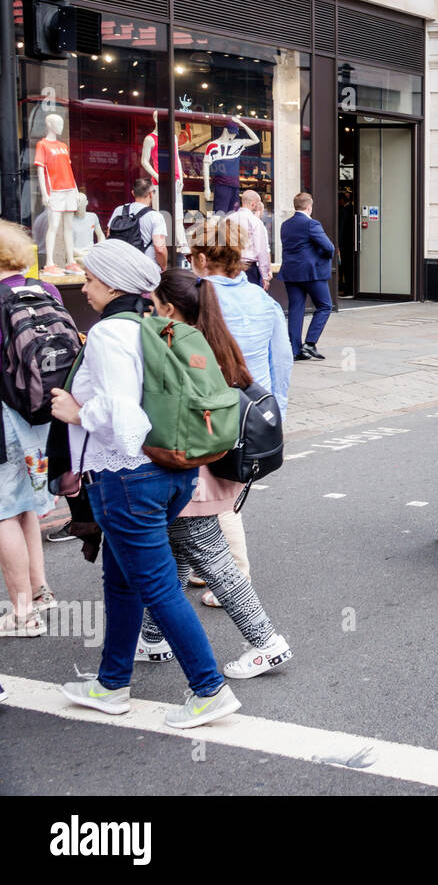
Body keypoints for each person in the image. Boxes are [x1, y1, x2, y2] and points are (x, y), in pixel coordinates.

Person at [54, 239, 241, 728]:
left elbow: (123, 416)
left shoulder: (108, 334)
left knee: (157, 588)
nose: (85, 287)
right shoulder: (151, 327)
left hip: (129, 477)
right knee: (121, 582)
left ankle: (210, 689)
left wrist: (77, 411)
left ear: (113, 283)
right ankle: (112, 684)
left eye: (91, 279)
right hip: (167, 473)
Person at [136, 268, 292, 678]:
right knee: (175, 555)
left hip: (195, 475)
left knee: (213, 562)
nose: (149, 314)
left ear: (169, 309)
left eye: (153, 306)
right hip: (215, 467)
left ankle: (267, 642)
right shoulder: (215, 339)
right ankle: (152, 639)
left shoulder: (178, 347)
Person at [190, 216, 292, 594]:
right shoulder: (263, 299)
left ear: (202, 258)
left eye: (191, 253)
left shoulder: (196, 295)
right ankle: (209, 566)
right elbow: (282, 359)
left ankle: (233, 577)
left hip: (207, 406)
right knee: (221, 489)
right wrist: (276, 409)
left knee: (214, 495)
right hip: (250, 411)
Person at [0, 222, 61, 636]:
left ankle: (22, 613)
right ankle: (39, 591)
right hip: (41, 414)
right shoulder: (48, 292)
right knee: (25, 502)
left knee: (2, 510)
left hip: (4, 417)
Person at [279, 191, 335, 361]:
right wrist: (320, 256)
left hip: (291, 272)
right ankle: (310, 344)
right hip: (312, 273)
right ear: (309, 207)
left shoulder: (285, 225)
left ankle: (295, 350)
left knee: (296, 309)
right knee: (325, 306)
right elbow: (329, 247)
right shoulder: (312, 224)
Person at [107, 178, 167, 269]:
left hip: (121, 267)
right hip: (146, 268)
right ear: (151, 194)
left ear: (133, 193)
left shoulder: (119, 210)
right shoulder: (156, 216)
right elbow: (159, 248)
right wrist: (164, 266)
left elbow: (109, 235)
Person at [232, 190, 271, 290]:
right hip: (248, 268)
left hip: (230, 266)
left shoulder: (227, 219)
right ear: (253, 204)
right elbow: (261, 250)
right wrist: (265, 276)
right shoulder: (255, 221)